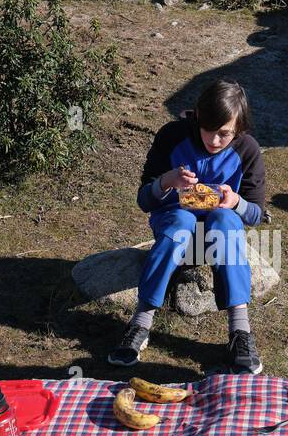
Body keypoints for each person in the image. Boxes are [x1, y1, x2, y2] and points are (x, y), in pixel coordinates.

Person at [108, 79, 267, 374]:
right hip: (174, 224)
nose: (215, 140)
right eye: (209, 129)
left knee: (225, 221)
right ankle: (140, 324)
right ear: (197, 115)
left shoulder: (248, 150)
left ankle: (240, 333)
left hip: (220, 234)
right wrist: (167, 181)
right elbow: (144, 200)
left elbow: (256, 214)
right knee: (181, 221)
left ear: (239, 129)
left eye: (225, 134)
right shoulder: (172, 136)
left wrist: (235, 203)